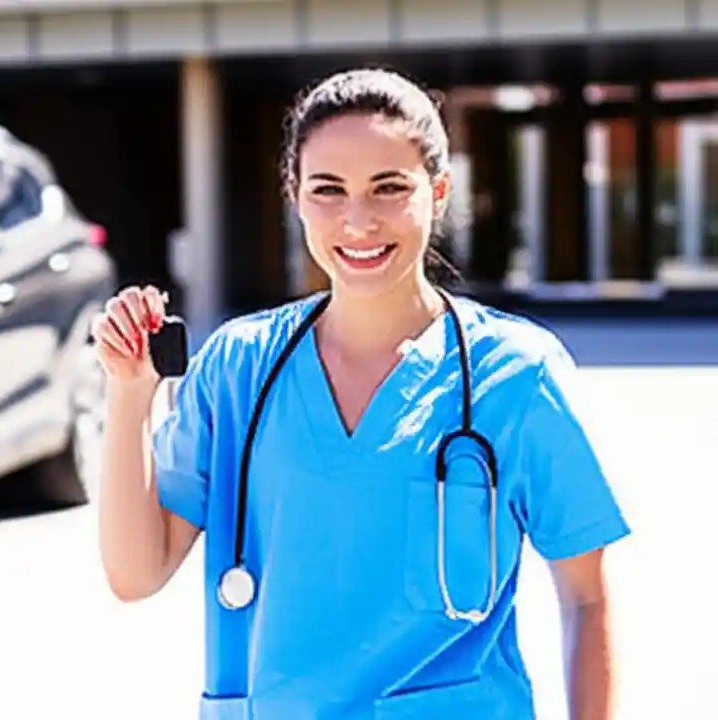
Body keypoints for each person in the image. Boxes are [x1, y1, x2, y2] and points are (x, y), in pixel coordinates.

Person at [94, 67, 630, 720]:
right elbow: (135, 572)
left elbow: (586, 597)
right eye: (328, 189)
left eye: (388, 188)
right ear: (294, 195)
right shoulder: (238, 370)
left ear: (437, 191)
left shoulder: (516, 374)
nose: (358, 220)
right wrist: (129, 397)